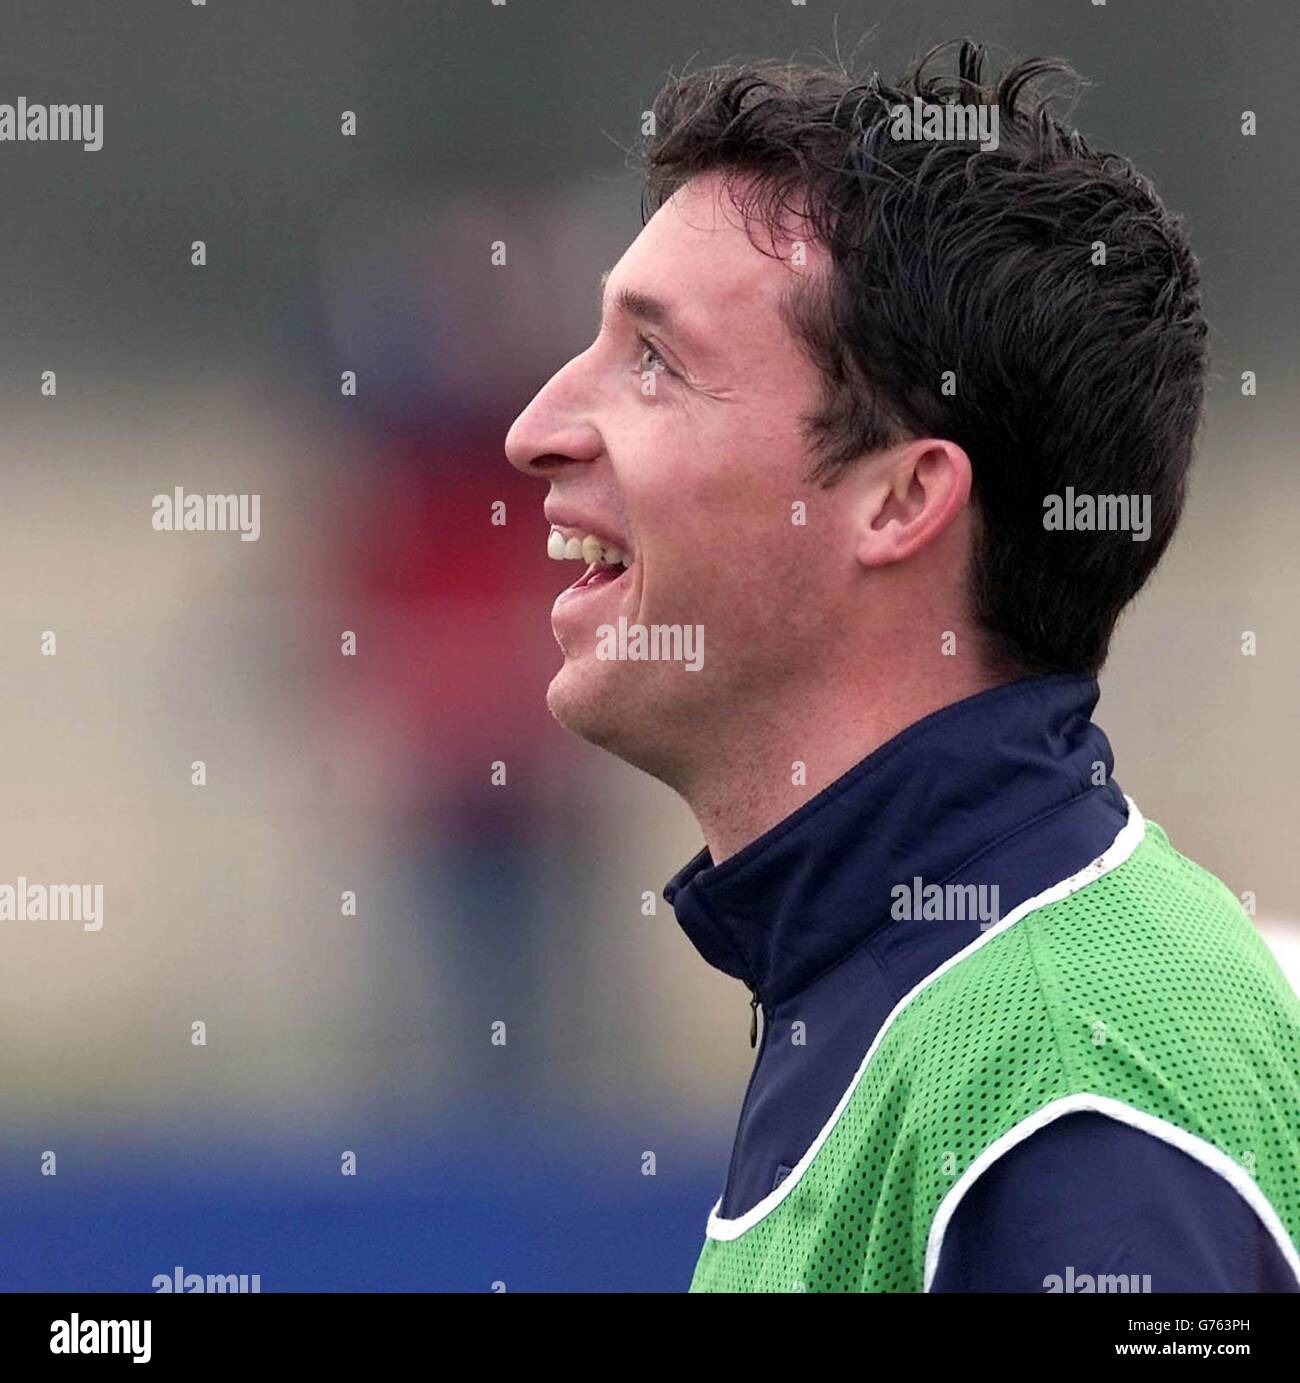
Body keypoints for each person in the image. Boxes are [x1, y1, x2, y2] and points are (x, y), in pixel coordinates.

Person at [504, 41, 1300, 1292]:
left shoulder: (1064, 1066)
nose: (534, 429)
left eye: (654, 360)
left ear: (900, 501)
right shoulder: (896, 983)